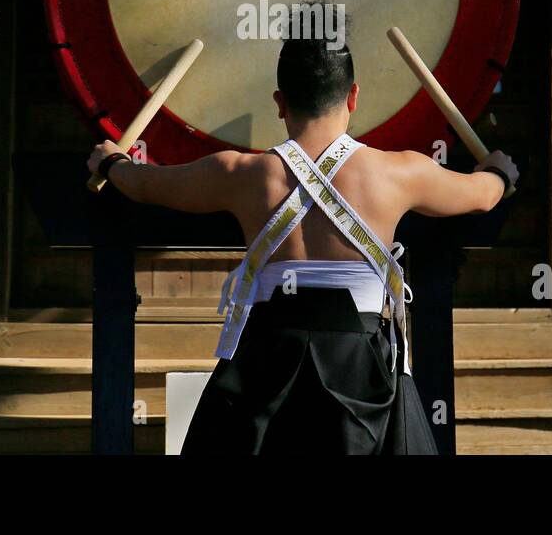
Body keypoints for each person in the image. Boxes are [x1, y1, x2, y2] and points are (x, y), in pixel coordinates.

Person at [86, 26, 517, 455]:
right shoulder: (400, 173)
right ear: (353, 97)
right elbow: (482, 196)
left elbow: (148, 185)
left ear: (279, 103)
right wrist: (499, 171)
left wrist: (111, 164)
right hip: (361, 368)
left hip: (265, 363)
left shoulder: (240, 174)